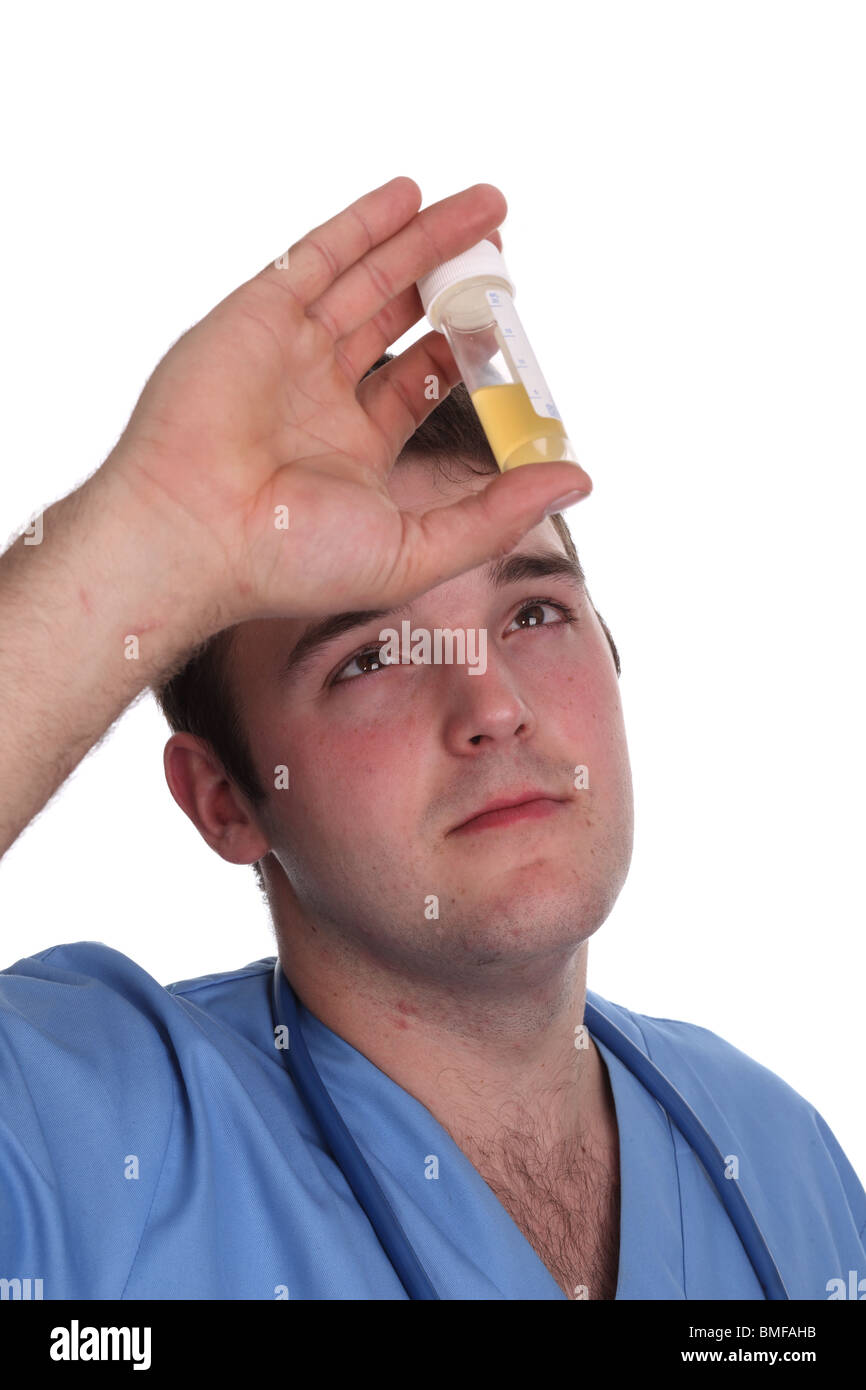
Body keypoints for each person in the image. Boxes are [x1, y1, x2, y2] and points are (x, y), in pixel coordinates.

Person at [0, 177, 863, 1302]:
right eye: (367, 659)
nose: (492, 705)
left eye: (534, 612)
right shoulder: (90, 1141)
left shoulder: (776, 1156)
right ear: (224, 798)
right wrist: (146, 538)